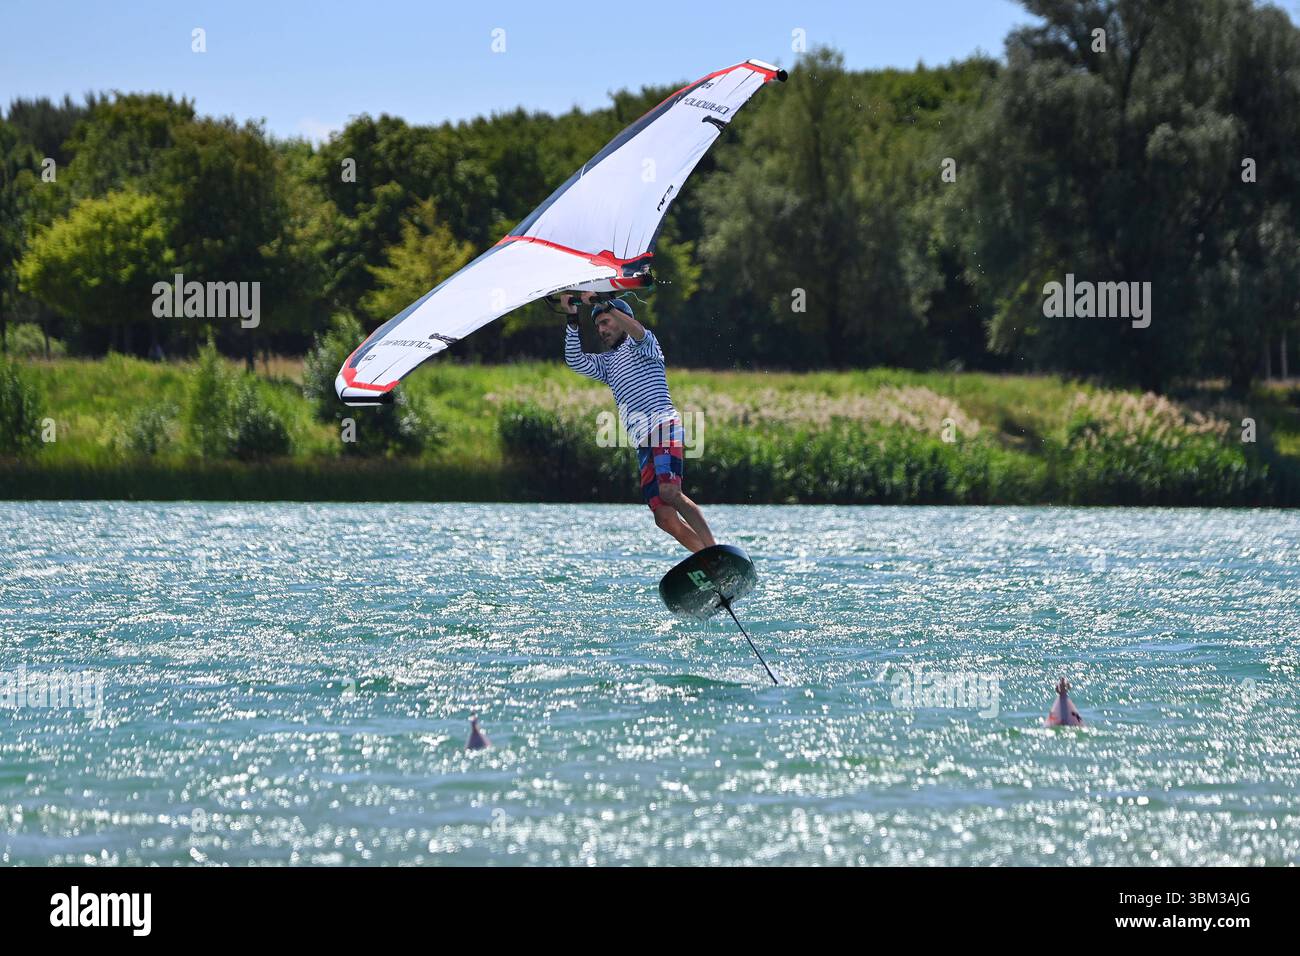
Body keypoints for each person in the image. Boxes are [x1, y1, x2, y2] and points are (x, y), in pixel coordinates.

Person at [561, 293, 716, 553]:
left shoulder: (645, 344)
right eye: (598, 325)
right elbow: (575, 360)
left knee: (670, 492)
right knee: (663, 518)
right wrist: (573, 318)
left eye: (607, 322)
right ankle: (709, 561)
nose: (601, 329)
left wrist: (607, 303)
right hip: (643, 443)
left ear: (623, 320)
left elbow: (638, 331)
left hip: (663, 426)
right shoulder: (608, 364)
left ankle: (715, 551)